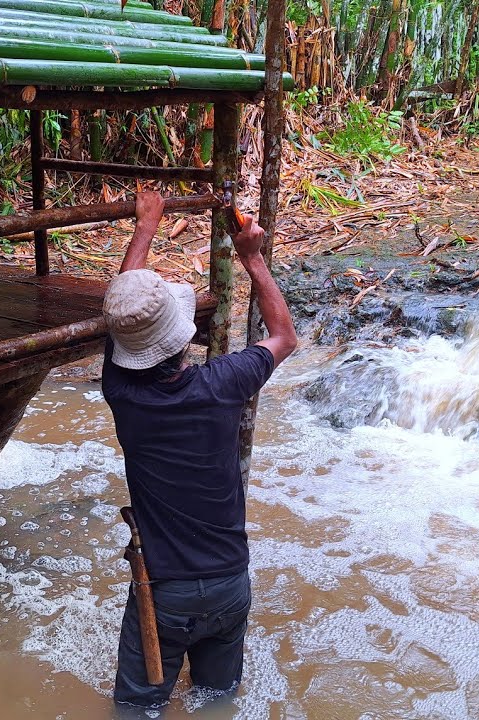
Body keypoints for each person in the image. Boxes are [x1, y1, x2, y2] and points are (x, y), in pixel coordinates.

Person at [100, 190, 298, 709]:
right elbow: (283, 335)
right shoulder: (225, 382)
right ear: (183, 335)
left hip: (164, 594)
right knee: (216, 701)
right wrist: (253, 256)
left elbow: (123, 312)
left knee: (138, 708)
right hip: (232, 583)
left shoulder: (122, 393)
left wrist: (145, 227)